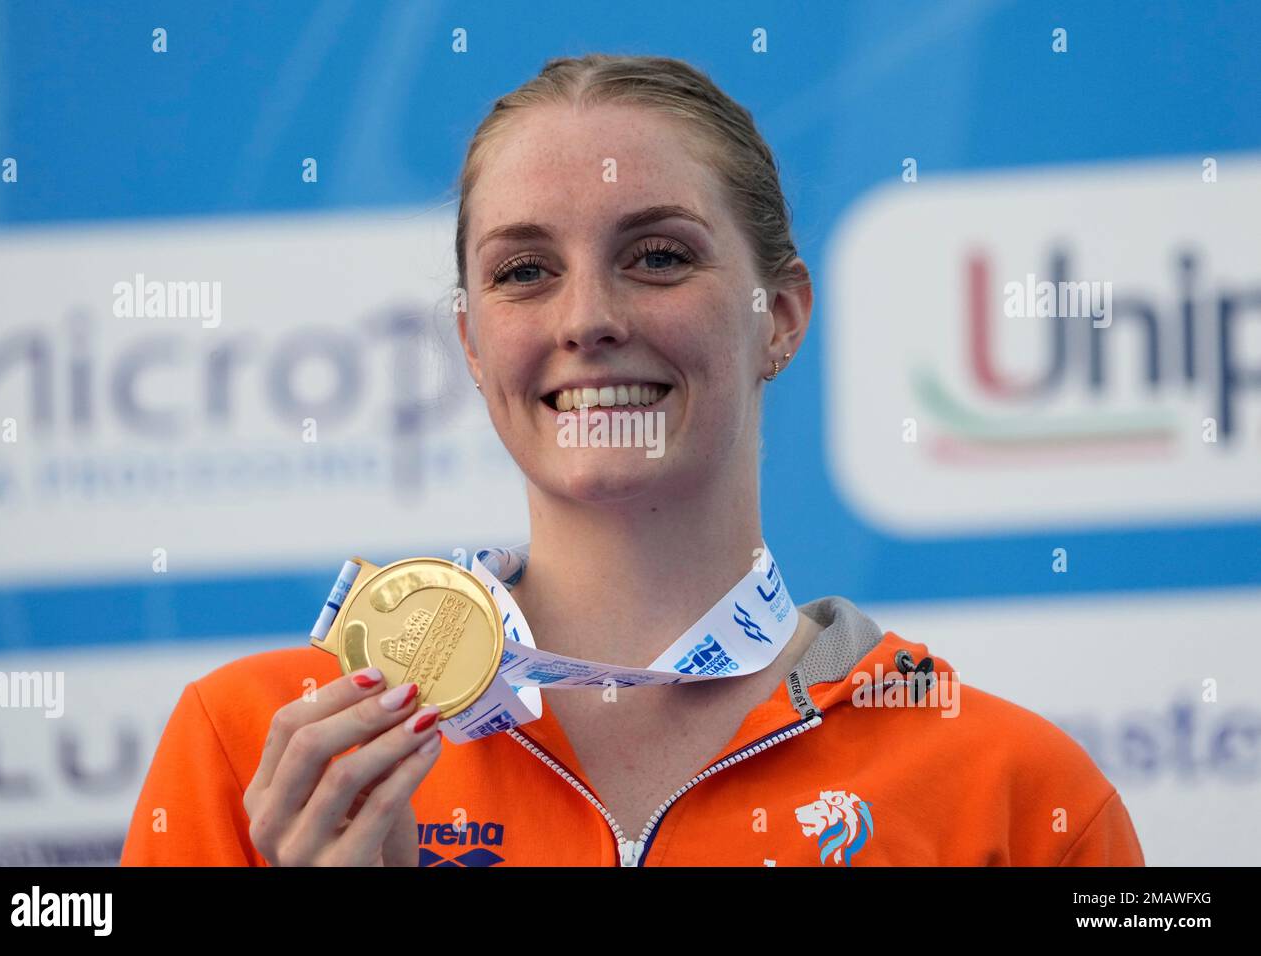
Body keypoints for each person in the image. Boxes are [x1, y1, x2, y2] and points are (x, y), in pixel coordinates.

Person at [120, 53, 1144, 867]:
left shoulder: (1018, 791)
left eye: (657, 256)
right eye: (524, 271)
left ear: (777, 318)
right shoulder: (266, 744)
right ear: (474, 346)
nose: (589, 318)